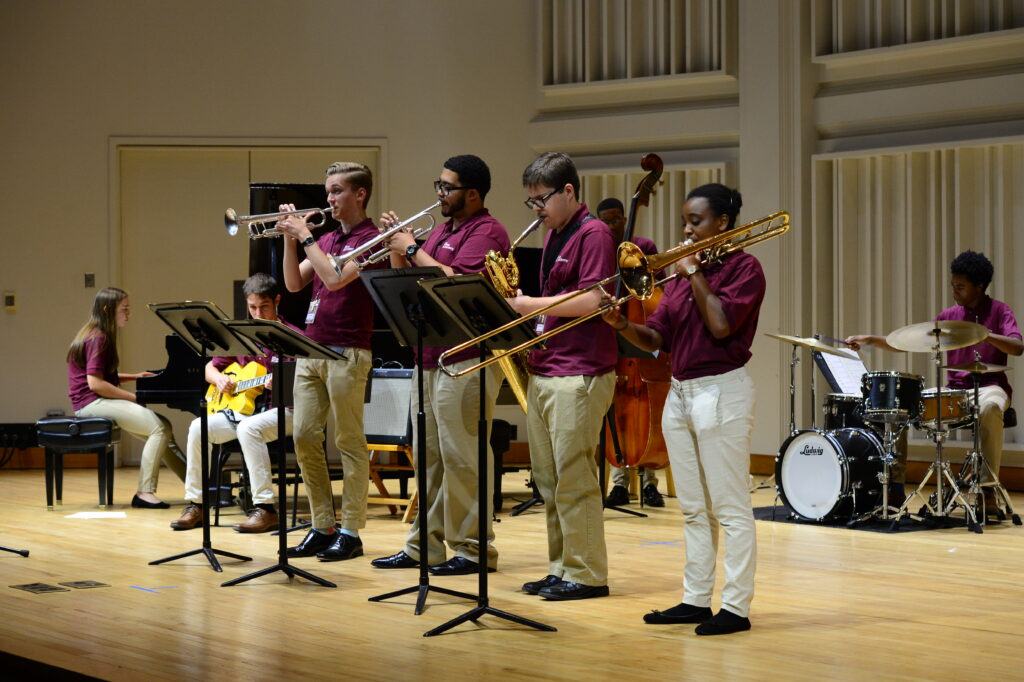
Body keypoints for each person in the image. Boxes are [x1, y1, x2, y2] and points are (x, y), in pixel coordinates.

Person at [603, 183, 763, 635]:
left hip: (722, 390)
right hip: (680, 391)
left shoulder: (745, 269)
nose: (686, 231)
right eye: (684, 222)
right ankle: (696, 598)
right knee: (693, 507)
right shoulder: (674, 277)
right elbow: (656, 340)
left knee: (730, 508)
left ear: (723, 224)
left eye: (695, 222)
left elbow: (720, 324)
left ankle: (735, 607)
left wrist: (693, 273)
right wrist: (622, 324)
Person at [371, 155, 510, 576]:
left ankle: (472, 548)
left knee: (463, 457)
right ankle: (423, 547)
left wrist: (412, 247)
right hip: (429, 356)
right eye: (438, 184)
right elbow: (408, 282)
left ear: (472, 193)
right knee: (429, 458)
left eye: (446, 187)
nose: (439, 194)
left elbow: (456, 284)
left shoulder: (488, 231)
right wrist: (398, 248)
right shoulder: (443, 231)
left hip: (467, 359)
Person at [506, 152, 617, 601]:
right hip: (549, 368)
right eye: (530, 202)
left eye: (542, 200)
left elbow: (594, 300)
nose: (536, 210)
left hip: (581, 371)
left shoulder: (595, 233)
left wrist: (527, 305)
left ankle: (588, 574)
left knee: (574, 476)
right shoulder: (557, 234)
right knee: (549, 480)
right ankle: (561, 566)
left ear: (569, 191)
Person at [846, 250, 1022, 510]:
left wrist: (986, 335)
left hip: (989, 387)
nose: (955, 291)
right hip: (954, 389)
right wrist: (870, 339)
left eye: (961, 287)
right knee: (901, 405)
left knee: (990, 408)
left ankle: (987, 491)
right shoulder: (948, 315)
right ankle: (894, 487)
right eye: (953, 285)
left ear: (980, 286)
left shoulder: (999, 311)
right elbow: (906, 343)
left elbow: (1017, 347)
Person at [274, 161, 382, 561]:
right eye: (328, 192)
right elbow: (293, 283)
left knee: (349, 441)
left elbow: (335, 279)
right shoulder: (330, 239)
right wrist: (290, 239)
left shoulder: (375, 239)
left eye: (336, 191)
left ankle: (351, 530)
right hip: (311, 348)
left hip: (348, 350)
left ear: (360, 194)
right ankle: (322, 524)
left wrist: (305, 236)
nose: (329, 199)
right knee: (303, 436)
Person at [169, 274, 295, 533]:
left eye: (264, 307)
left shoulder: (292, 336)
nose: (257, 313)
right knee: (197, 427)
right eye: (252, 307)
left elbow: (307, 380)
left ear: (277, 301)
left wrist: (283, 382)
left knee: (249, 429)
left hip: (286, 410)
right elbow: (209, 368)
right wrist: (220, 380)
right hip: (245, 411)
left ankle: (266, 509)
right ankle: (197, 504)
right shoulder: (243, 336)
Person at [67, 287, 185, 508]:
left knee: (163, 429)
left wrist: (135, 376)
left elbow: (102, 376)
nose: (128, 314)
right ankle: (144, 493)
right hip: (91, 404)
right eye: (125, 309)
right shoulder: (99, 338)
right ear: (107, 309)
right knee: (158, 428)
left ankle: (197, 487)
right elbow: (95, 384)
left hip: (94, 401)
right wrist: (134, 397)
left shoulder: (95, 333)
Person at [595, 196, 664, 508]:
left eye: (616, 219)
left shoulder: (642, 245)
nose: (612, 225)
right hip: (611, 346)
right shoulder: (600, 249)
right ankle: (619, 482)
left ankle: (650, 483)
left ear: (625, 217)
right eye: (606, 220)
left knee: (646, 414)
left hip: (637, 341)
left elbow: (655, 293)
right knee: (615, 413)